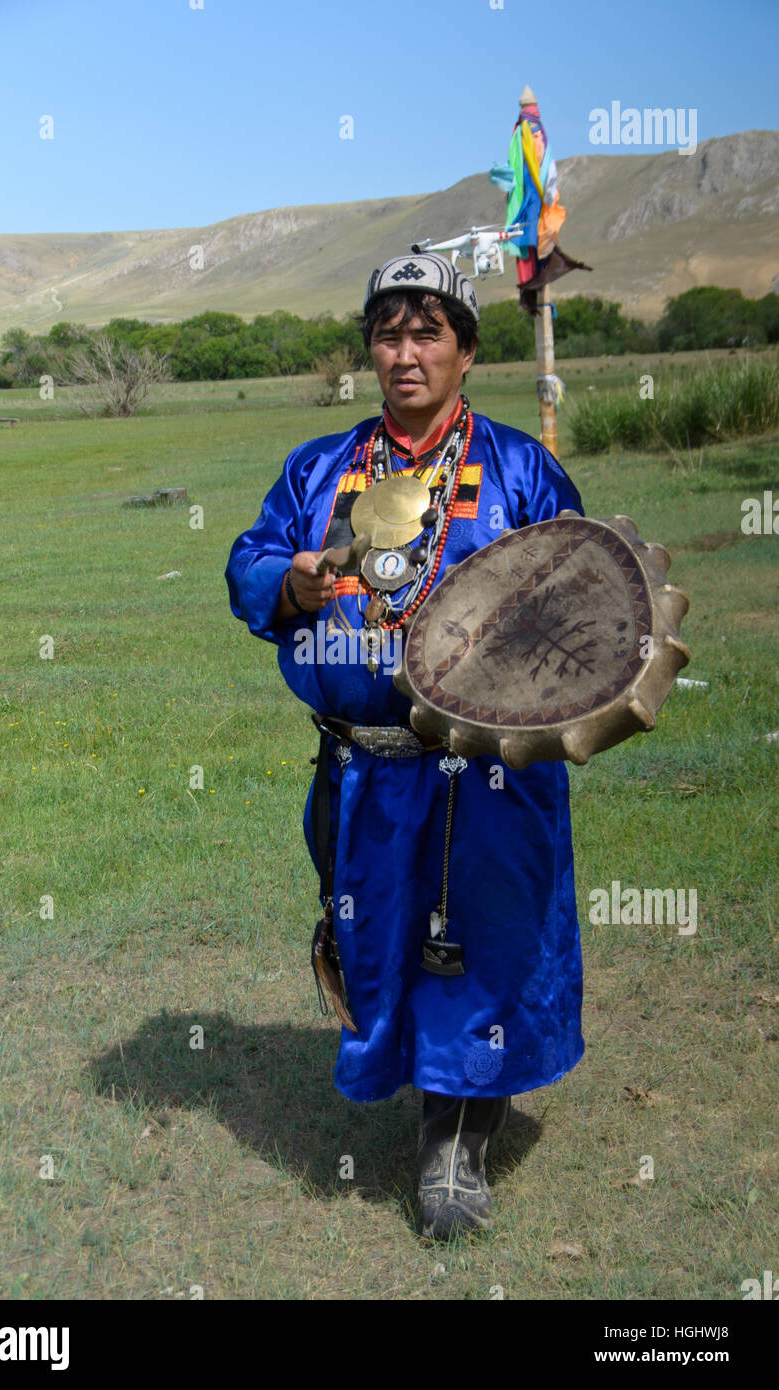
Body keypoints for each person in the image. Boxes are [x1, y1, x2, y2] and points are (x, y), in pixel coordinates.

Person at [226, 252, 585, 1238]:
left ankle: (455, 1154)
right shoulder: (318, 468)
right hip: (363, 769)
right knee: (376, 947)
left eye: (428, 331)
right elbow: (250, 560)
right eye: (389, 332)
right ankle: (442, 1091)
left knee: (473, 951)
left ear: (468, 350)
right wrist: (291, 583)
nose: (405, 351)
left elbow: (580, 599)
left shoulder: (521, 471)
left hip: (489, 779)